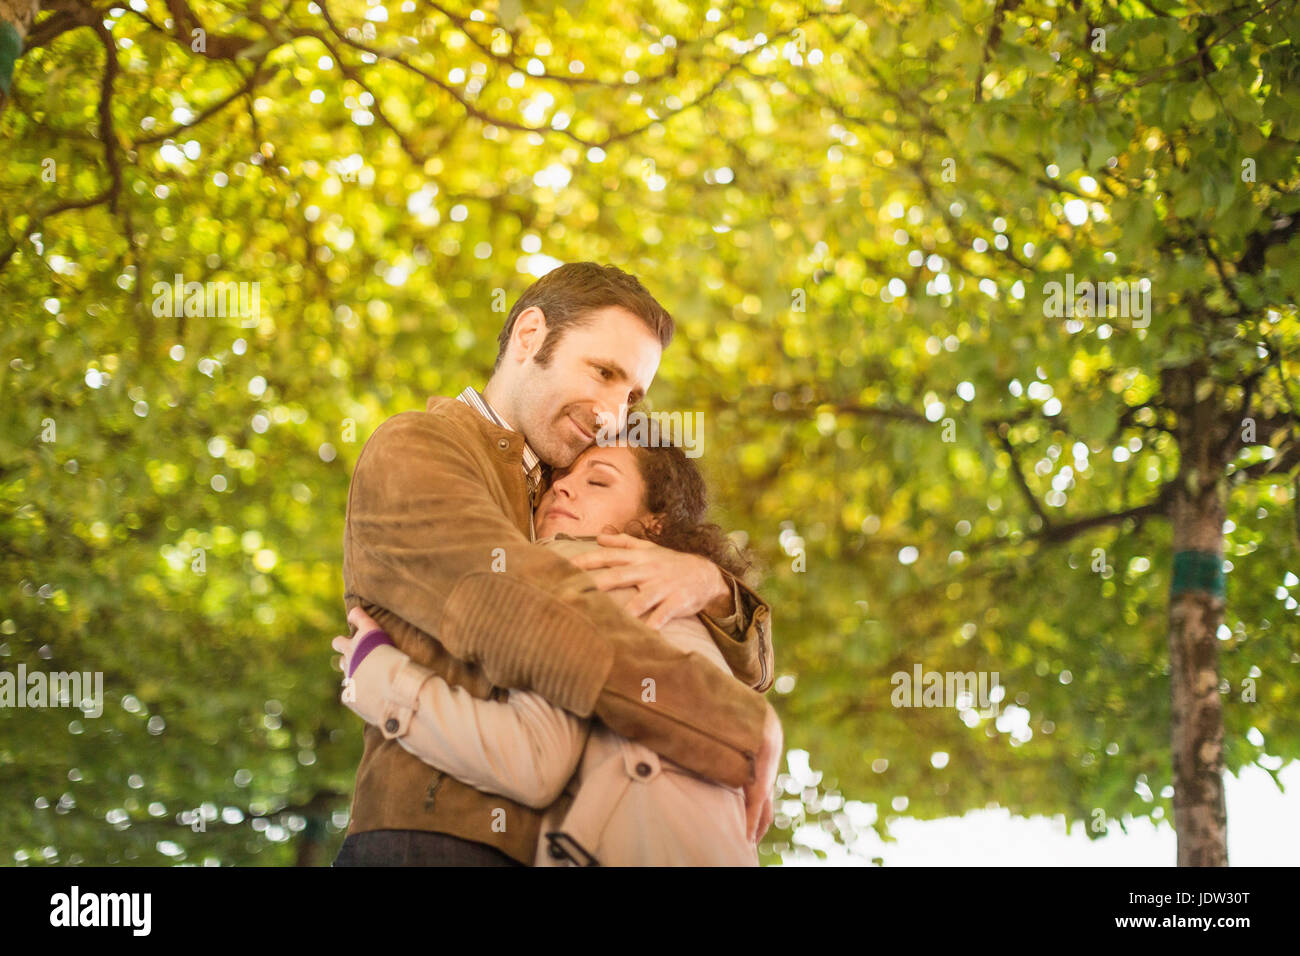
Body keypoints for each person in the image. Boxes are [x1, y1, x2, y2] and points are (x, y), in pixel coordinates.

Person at [333, 262, 782, 866]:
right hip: (428, 842)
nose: (613, 413)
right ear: (529, 336)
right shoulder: (418, 446)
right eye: (603, 372)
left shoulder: (555, 494)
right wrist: (730, 722)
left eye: (631, 396)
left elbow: (735, 656)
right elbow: (515, 607)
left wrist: (712, 586)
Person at [335, 440, 766, 865]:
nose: (562, 487)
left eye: (598, 482)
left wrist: (379, 677)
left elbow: (533, 761)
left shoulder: (584, 566)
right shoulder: (691, 607)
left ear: (656, 522)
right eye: (559, 478)